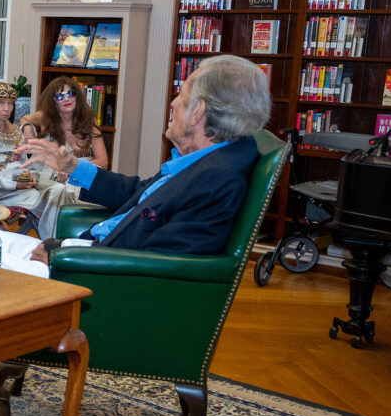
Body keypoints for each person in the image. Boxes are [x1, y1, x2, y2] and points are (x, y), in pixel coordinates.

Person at [14, 54, 269, 261]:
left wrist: (65, 257)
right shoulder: (200, 162)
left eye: (181, 95)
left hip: (91, 266)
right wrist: (71, 165)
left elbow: (152, 263)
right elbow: (137, 193)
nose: (173, 103)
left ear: (197, 113)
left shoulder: (214, 181)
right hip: (87, 251)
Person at [0, 82, 75, 237]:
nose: (6, 108)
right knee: (45, 200)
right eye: (1, 103)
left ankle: (57, 238)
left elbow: (25, 162)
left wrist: (30, 176)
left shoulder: (16, 129)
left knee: (60, 189)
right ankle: (52, 242)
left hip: (24, 181)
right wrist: (16, 185)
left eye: (10, 104)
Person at [21, 76, 109, 173]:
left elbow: (103, 162)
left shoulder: (89, 121)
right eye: (60, 97)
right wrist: (28, 128)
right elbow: (25, 118)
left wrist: (72, 169)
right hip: (49, 179)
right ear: (52, 102)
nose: (67, 99)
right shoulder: (46, 117)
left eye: (71, 93)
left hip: (80, 178)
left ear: (77, 96)